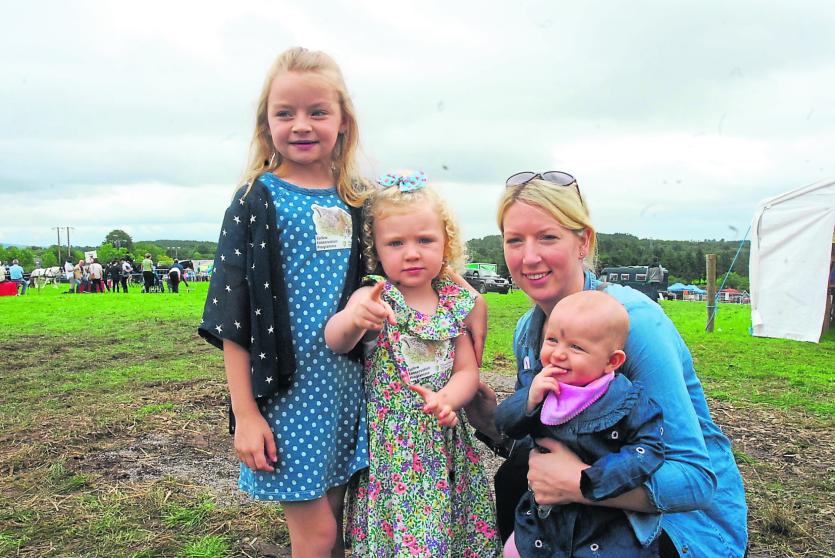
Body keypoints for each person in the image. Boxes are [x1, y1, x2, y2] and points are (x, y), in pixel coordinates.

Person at [465, 172, 748, 557]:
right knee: (513, 480)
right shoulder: (528, 332)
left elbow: (696, 480)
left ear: (583, 241)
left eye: (548, 237)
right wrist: (492, 425)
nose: (529, 256)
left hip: (680, 525)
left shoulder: (634, 323)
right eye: (515, 240)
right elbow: (561, 441)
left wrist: (582, 485)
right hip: (582, 520)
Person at [197, 47, 373, 557]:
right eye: (285, 113)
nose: (302, 124)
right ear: (265, 123)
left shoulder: (358, 199)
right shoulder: (256, 198)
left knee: (338, 523)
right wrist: (246, 414)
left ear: (343, 121)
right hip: (287, 397)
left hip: (348, 389)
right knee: (315, 536)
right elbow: (233, 319)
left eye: (318, 112)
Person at [325, 172, 500, 557]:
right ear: (376, 249)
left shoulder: (453, 301)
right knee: (406, 537)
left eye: (425, 240)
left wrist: (449, 400)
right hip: (395, 448)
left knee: (452, 533)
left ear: (445, 243)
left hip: (445, 440)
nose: (412, 253)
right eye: (396, 243)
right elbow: (335, 338)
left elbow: (466, 370)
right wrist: (356, 320)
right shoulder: (374, 294)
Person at [497, 290, 665, 557]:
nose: (558, 354)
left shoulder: (627, 400)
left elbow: (649, 449)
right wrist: (528, 400)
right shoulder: (543, 388)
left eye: (576, 347)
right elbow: (505, 423)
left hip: (604, 526)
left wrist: (590, 480)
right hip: (544, 520)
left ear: (612, 361)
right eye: (552, 340)